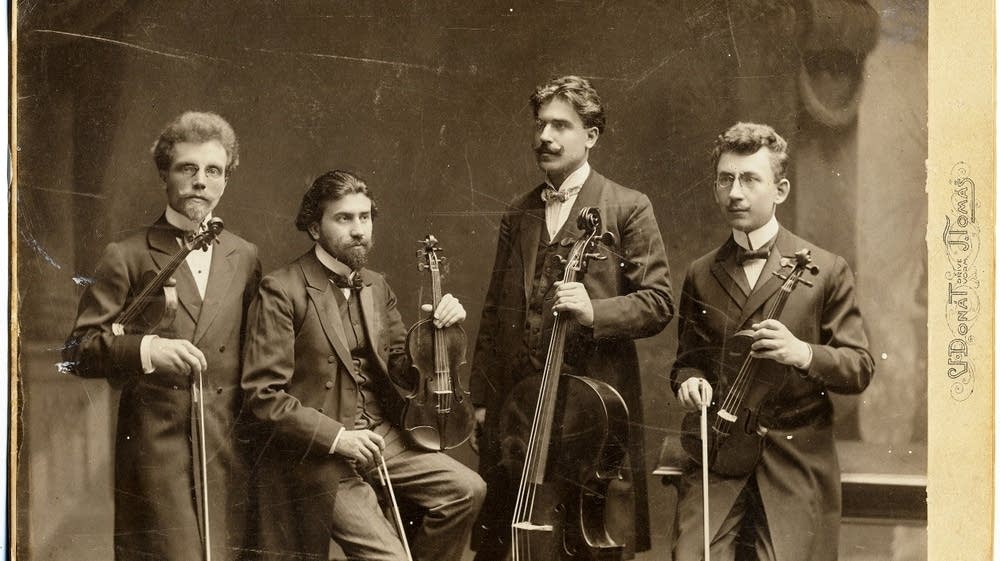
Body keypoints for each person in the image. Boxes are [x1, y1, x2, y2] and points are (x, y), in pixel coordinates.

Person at [470, 75, 674, 560]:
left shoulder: (629, 206)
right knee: (509, 534)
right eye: (541, 125)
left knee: (584, 538)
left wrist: (594, 310)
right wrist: (480, 399)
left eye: (561, 125)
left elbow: (659, 302)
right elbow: (495, 310)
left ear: (591, 135)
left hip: (591, 408)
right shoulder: (519, 212)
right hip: (519, 406)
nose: (545, 136)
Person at [241, 170, 486, 561]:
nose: (359, 230)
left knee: (467, 490)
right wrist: (339, 437)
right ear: (314, 228)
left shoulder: (375, 285)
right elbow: (264, 396)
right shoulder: (282, 289)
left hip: (382, 438)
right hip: (321, 453)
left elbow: (403, 368)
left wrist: (437, 335)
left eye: (365, 217)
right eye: (344, 218)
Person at [670, 122, 875, 561]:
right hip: (721, 453)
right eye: (725, 179)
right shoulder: (700, 273)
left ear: (780, 190)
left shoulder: (827, 269)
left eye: (750, 179)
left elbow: (859, 367)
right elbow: (687, 361)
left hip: (794, 456)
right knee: (692, 556)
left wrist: (803, 353)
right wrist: (689, 382)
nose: (735, 193)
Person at [63, 111, 261, 561]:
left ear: (226, 180)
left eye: (213, 171)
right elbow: (78, 350)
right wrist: (148, 349)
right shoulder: (127, 254)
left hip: (227, 452)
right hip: (156, 456)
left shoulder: (245, 256)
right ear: (164, 175)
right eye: (187, 168)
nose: (200, 181)